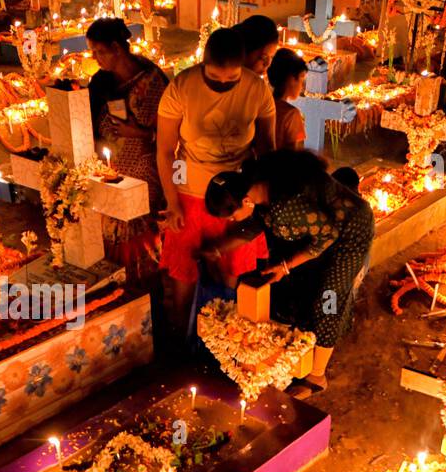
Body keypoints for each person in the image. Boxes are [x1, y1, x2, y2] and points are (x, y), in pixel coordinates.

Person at [205, 149, 374, 398]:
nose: (231, 221)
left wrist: (286, 266)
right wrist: (219, 249)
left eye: (231, 215)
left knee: (329, 298)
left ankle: (317, 377)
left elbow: (328, 235)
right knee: (302, 288)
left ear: (245, 201)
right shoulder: (258, 192)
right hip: (323, 230)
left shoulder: (285, 205)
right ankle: (295, 356)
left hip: (349, 230)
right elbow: (252, 227)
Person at [156, 27, 275, 330]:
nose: (222, 85)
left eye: (230, 80)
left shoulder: (257, 89)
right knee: (184, 271)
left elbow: (266, 149)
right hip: (190, 189)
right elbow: (167, 150)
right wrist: (173, 201)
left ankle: (219, 335)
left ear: (242, 68)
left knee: (230, 269)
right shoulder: (182, 87)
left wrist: (253, 201)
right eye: (214, 79)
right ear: (202, 64)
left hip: (238, 193)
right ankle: (182, 335)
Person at [87, 17, 170, 278]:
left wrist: (138, 132)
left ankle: (147, 289)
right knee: (113, 232)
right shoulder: (100, 82)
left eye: (100, 51)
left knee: (141, 234)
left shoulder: (153, 80)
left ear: (118, 48)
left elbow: (173, 132)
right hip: (112, 168)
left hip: (146, 172)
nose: (96, 58)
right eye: (93, 52)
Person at [266, 48, 308, 150]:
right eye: (301, 79)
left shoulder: (261, 104)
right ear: (291, 79)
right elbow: (291, 155)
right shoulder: (291, 114)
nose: (302, 86)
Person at [233, 12, 280, 80]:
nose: (268, 64)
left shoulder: (258, 86)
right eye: (263, 57)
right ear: (244, 51)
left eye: (272, 57)